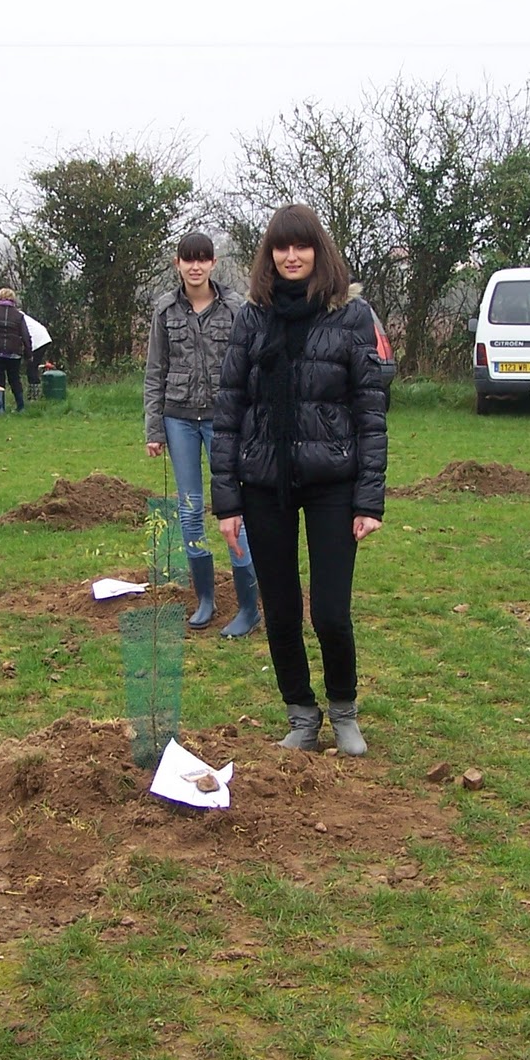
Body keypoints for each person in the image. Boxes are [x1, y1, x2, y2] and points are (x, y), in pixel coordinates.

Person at [212, 204, 387, 755]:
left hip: (333, 480)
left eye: (302, 246)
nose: (292, 256)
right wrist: (227, 502)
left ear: (318, 251)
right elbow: (229, 408)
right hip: (264, 480)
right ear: (270, 255)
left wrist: (369, 499)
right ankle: (302, 716)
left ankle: (344, 712)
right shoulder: (252, 317)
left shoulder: (352, 317)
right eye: (281, 248)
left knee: (330, 611)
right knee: (281, 608)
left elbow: (370, 410)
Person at [145, 231, 260, 637]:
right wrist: (154, 429)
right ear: (177, 264)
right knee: (191, 510)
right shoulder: (164, 310)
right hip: (178, 420)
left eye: (203, 259)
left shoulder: (236, 308)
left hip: (224, 421)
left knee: (235, 513)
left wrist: (251, 422)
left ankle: (249, 606)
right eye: (187, 259)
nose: (195, 266)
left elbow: (252, 370)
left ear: (213, 263)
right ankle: (206, 599)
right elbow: (155, 372)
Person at [0, 288, 30, 412]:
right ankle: (20, 406)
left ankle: (1, 408)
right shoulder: (19, 316)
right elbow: (25, 336)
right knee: (14, 378)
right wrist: (28, 353)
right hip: (14, 351)